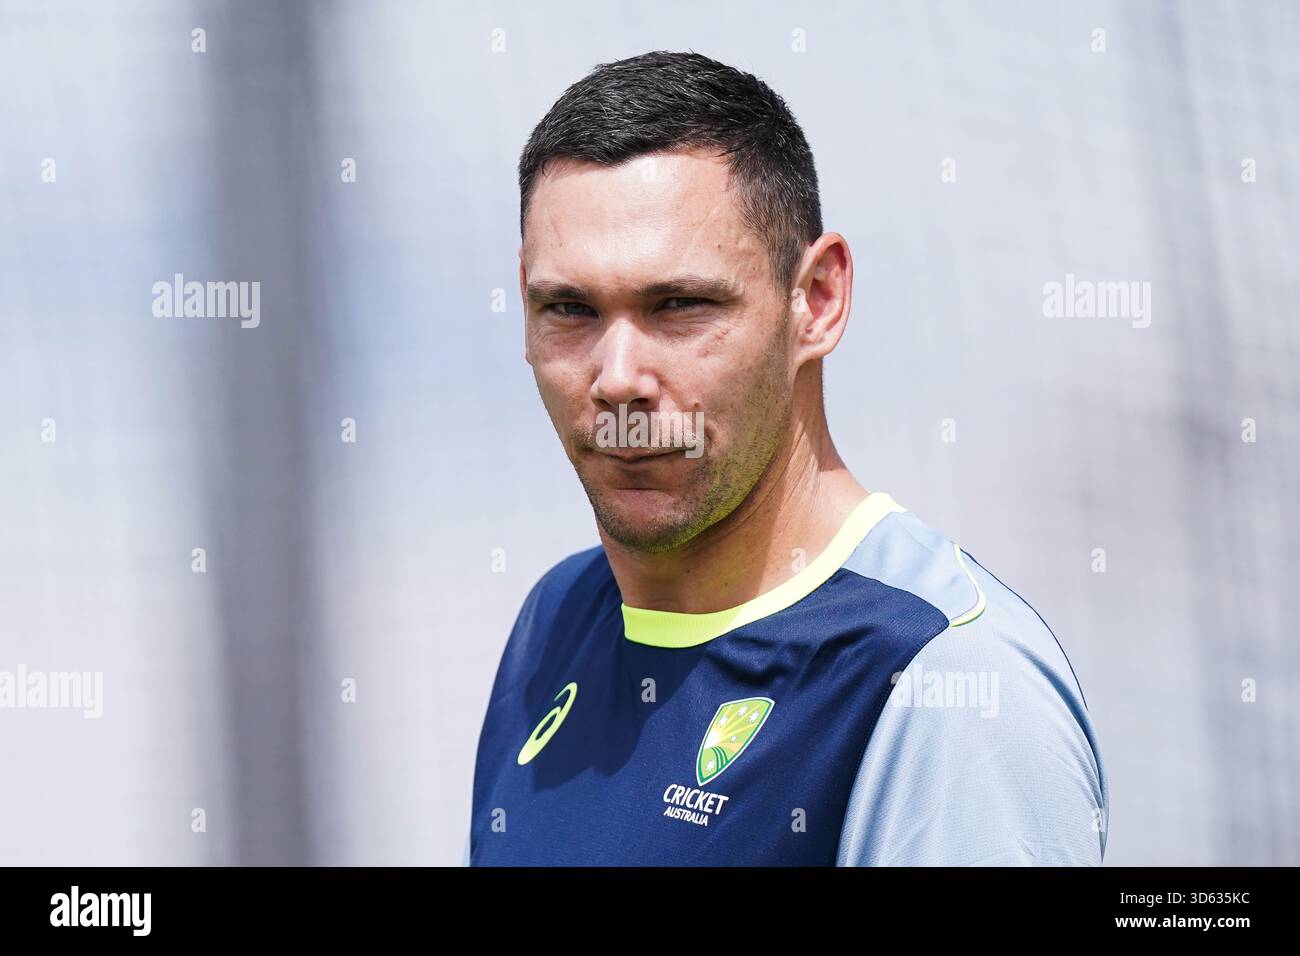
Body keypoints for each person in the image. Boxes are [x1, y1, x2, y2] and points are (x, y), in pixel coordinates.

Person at [466, 50, 1107, 865]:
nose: (618, 378)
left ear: (818, 300)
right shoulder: (556, 618)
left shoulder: (942, 682)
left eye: (681, 305)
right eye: (569, 308)